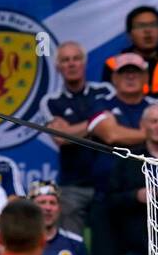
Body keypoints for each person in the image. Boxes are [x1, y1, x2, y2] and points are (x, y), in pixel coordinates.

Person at [41, 40, 114, 234]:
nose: (71, 64)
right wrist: (96, 122)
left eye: (76, 59)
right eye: (65, 60)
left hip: (107, 183)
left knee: (105, 246)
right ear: (57, 67)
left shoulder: (105, 91)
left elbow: (112, 131)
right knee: (71, 245)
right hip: (72, 185)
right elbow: (60, 139)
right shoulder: (51, 101)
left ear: (85, 63)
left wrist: (72, 130)